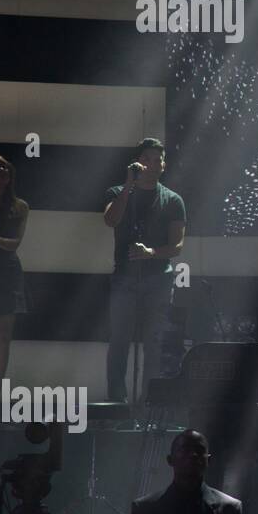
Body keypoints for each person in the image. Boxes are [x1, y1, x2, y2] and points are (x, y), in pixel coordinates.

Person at [102, 138, 186, 404]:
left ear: (164, 164)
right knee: (119, 340)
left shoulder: (173, 200)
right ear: (137, 162)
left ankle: (150, 403)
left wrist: (151, 252)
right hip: (124, 276)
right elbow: (110, 220)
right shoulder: (117, 191)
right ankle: (117, 402)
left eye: (157, 159)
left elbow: (177, 246)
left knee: (155, 342)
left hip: (158, 278)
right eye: (146, 159)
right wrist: (129, 186)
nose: (152, 164)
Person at [0, 155, 29, 387]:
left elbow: (15, 242)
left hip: (6, 272)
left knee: (1, 337)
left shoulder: (19, 206)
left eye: (3, 166)